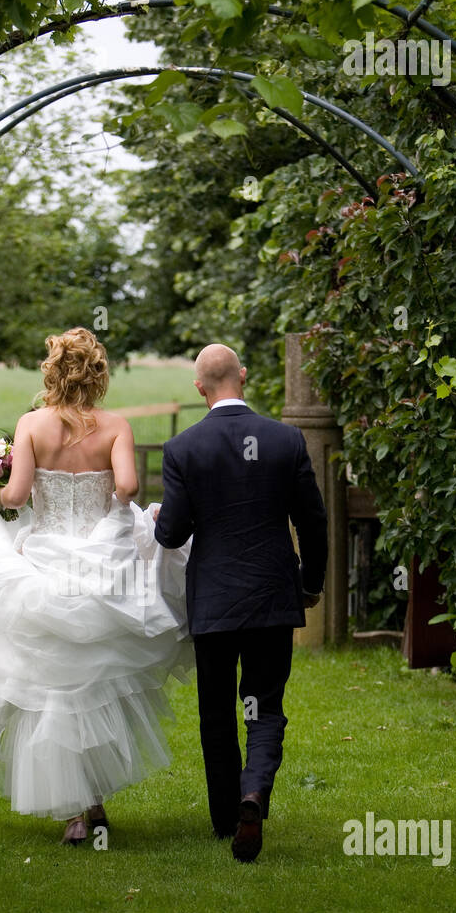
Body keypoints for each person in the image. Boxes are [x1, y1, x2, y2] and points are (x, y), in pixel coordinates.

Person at [0, 327, 192, 844]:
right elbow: (128, 488)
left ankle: (76, 810)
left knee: (51, 684)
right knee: (94, 685)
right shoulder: (115, 426)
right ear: (98, 373)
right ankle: (91, 804)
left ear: (51, 371)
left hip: (45, 560)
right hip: (101, 559)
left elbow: (17, 497)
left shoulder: (31, 425)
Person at [154, 343, 328, 863]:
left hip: (214, 600)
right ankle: (255, 792)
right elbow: (313, 522)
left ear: (200, 388)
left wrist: (166, 513)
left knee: (216, 712)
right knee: (264, 704)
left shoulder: (183, 448)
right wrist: (310, 583)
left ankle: (226, 815)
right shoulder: (286, 439)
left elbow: (171, 534)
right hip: (273, 596)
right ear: (243, 376)